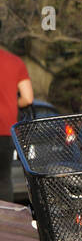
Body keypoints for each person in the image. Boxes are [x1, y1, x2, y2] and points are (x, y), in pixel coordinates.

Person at [0, 45, 34, 202]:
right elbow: (28, 98)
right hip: (6, 130)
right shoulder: (15, 62)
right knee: (4, 180)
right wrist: (12, 104)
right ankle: (5, 224)